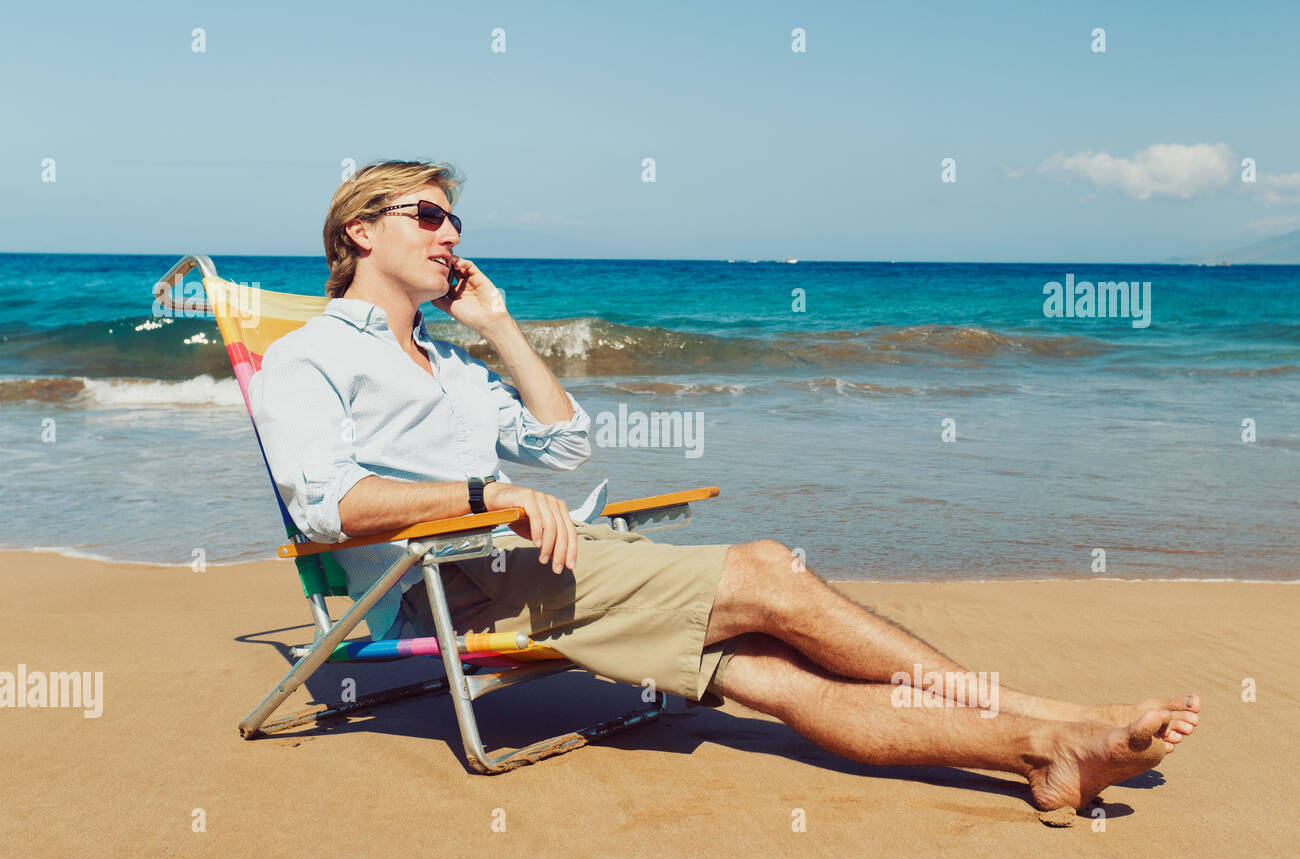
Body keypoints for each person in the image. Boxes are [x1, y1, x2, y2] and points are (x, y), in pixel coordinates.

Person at [250, 160, 1200, 812]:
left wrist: (497, 327)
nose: (450, 235)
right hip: (451, 580)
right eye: (428, 216)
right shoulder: (309, 358)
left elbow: (566, 447)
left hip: (540, 554)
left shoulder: (451, 363)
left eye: (455, 219)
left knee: (767, 675)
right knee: (769, 572)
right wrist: (482, 499)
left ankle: (1040, 752)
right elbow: (325, 508)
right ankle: (1057, 712)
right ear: (358, 230)